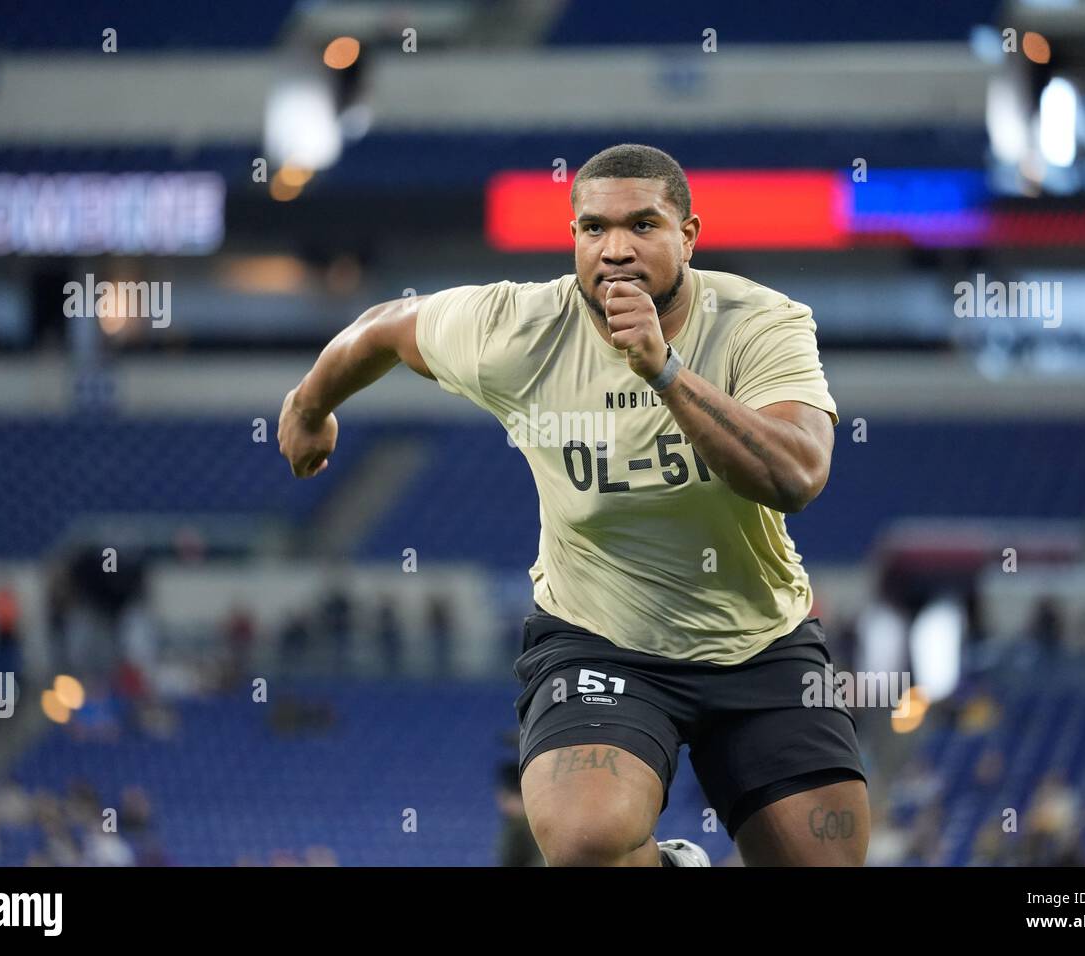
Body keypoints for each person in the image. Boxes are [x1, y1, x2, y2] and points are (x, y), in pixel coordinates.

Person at [278, 143, 868, 866]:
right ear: (575, 238)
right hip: (599, 640)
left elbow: (797, 475)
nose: (615, 249)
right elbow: (386, 327)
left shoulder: (757, 321)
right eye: (594, 228)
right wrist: (309, 407)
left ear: (688, 236)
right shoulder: (518, 329)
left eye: (643, 225)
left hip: (760, 642)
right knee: (586, 842)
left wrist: (666, 372)